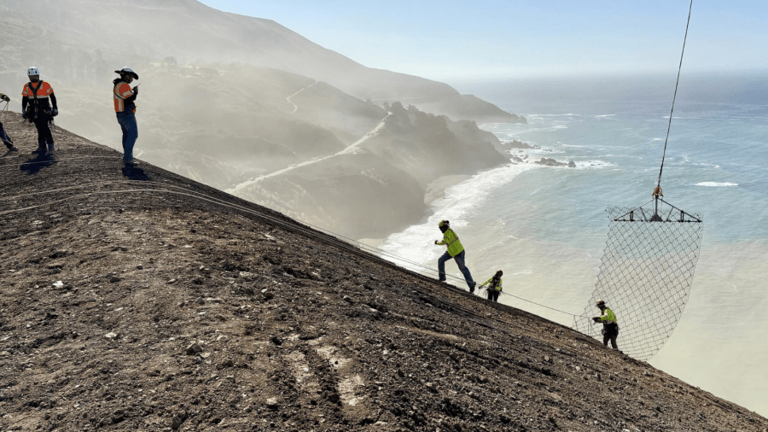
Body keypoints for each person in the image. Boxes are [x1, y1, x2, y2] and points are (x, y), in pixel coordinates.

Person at [21, 67, 58, 153]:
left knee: (44, 127)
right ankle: (43, 146)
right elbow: (24, 99)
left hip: (43, 110)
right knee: (39, 128)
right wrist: (23, 109)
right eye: (32, 76)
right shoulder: (27, 86)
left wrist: (55, 108)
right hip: (34, 110)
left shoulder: (45, 84)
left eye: (34, 76)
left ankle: (50, 146)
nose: (33, 78)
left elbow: (52, 97)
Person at [434, 220, 476, 292]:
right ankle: (442, 278)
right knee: (441, 260)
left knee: (462, 268)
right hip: (451, 252)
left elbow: (444, 242)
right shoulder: (449, 231)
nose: (441, 230)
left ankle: (471, 284)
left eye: (441, 228)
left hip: (458, 253)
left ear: (443, 227)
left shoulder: (447, 233)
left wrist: (437, 242)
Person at [113, 67, 140, 166]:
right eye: (131, 77)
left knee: (126, 135)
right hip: (126, 114)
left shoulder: (118, 84)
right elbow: (129, 99)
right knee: (132, 135)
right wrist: (135, 92)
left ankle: (127, 157)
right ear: (126, 76)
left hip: (120, 113)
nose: (131, 79)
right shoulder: (123, 85)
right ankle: (128, 159)